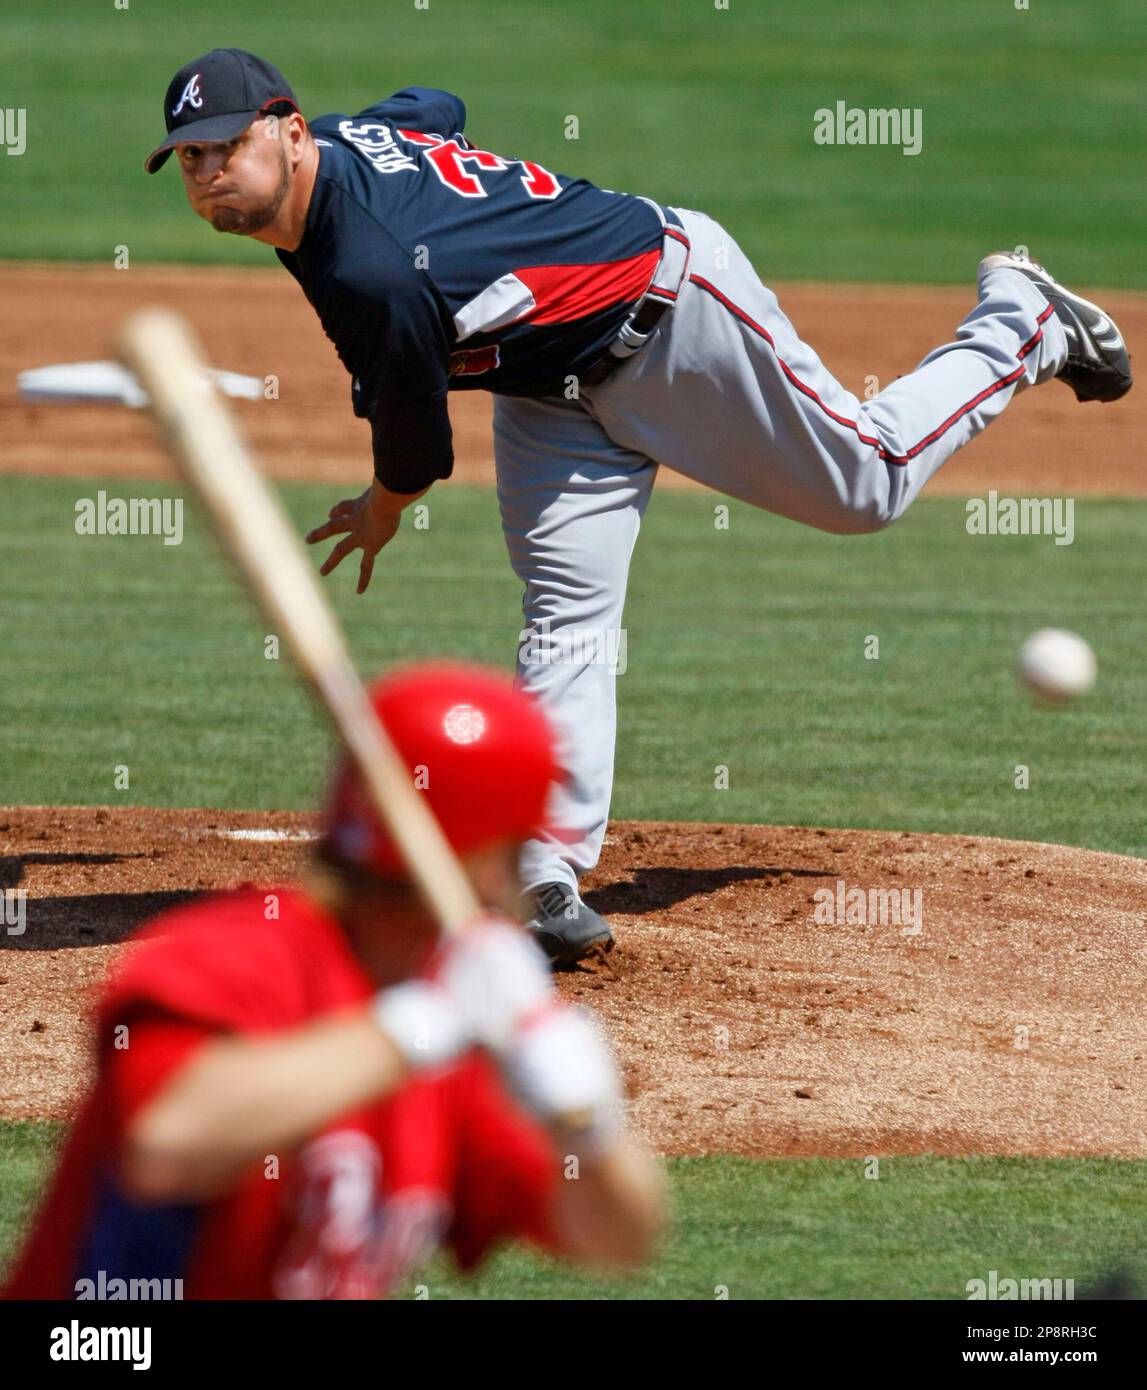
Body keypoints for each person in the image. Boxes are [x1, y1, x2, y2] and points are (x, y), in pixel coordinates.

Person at [142, 48, 1132, 965]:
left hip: (672, 312)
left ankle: (1022, 322)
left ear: (291, 131)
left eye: (227, 145)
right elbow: (430, 107)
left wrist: (382, 507)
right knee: (567, 619)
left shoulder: (367, 269)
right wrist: (467, 199)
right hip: (549, 386)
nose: (207, 170)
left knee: (864, 483)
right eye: (189, 157)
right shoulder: (349, 155)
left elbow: (418, 446)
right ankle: (545, 872)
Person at [2, 662, 664, 1300]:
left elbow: (617, 1241)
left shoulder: (462, 1030)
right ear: (494, 861)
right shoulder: (239, 954)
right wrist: (419, 1025)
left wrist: (589, 1126)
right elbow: (166, 1145)